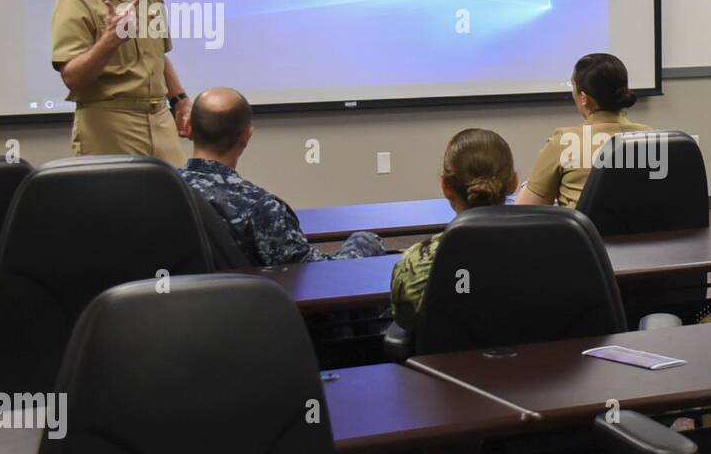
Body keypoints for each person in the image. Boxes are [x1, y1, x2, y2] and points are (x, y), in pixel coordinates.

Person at [51, 0, 192, 167]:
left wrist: (180, 99)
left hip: (159, 118)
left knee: (174, 201)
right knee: (117, 205)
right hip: (109, 122)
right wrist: (109, 41)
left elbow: (158, 56)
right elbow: (72, 77)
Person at [179, 88, 385, 266]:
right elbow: (312, 275)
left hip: (175, 307)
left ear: (188, 128)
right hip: (261, 308)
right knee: (366, 242)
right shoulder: (260, 207)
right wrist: (366, 242)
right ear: (246, 136)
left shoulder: (163, 193)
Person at [390, 129, 518, 331]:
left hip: (442, 362)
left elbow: (406, 320)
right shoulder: (550, 252)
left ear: (445, 187)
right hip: (537, 361)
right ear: (514, 183)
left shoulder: (418, 262)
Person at [515, 53, 650, 207]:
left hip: (586, 232)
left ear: (583, 97)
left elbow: (525, 210)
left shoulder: (565, 142)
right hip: (644, 231)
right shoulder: (653, 139)